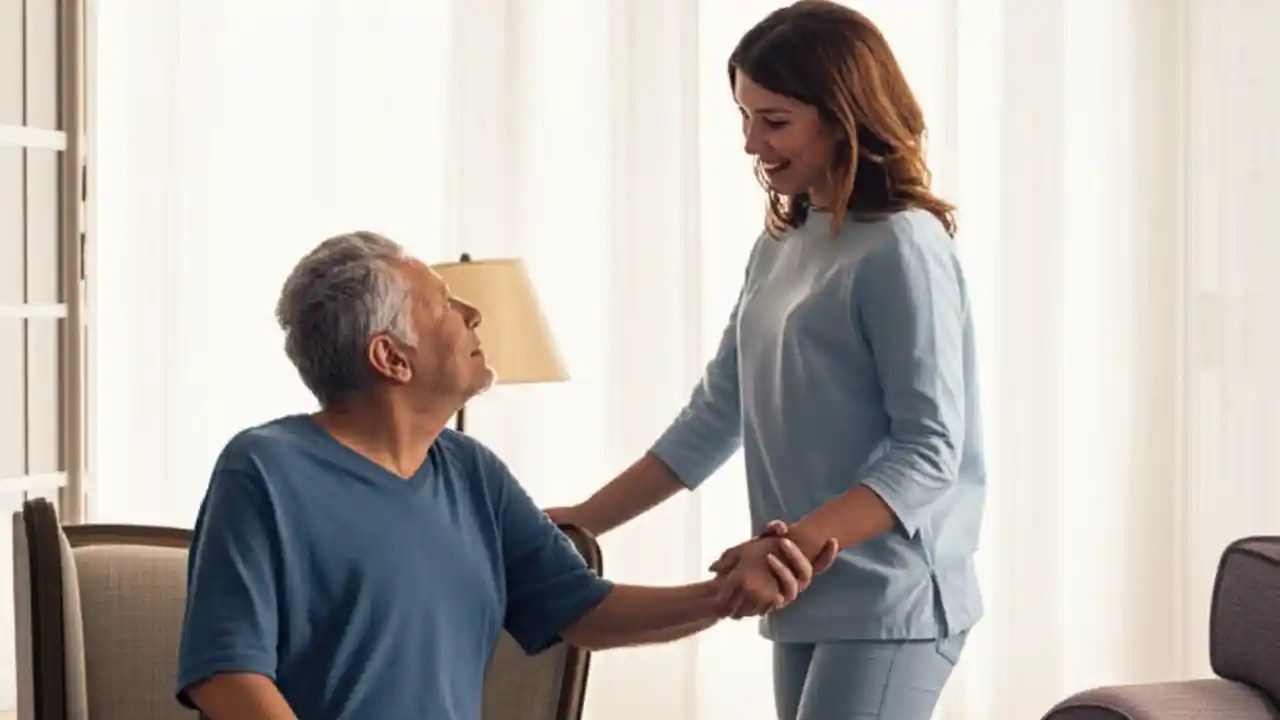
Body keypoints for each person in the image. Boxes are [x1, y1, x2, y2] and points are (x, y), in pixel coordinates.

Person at [174, 232, 836, 719]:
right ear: (390, 357)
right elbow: (228, 677)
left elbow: (584, 609)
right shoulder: (263, 470)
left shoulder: (470, 472)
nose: (473, 315)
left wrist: (723, 595)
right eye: (442, 306)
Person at [545, 2, 985, 718]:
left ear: (846, 117)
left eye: (775, 120)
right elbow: (720, 411)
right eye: (745, 116)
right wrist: (584, 522)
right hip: (805, 589)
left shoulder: (904, 246)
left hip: (890, 595)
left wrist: (790, 549)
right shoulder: (783, 242)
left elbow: (931, 449)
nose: (752, 142)